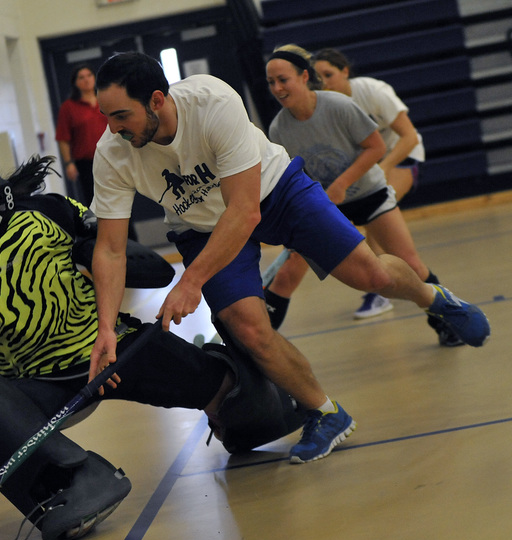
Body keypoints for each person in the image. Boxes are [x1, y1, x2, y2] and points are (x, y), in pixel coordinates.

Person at [88, 52, 490, 465]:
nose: (113, 129)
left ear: (156, 100)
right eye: (106, 116)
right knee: (248, 328)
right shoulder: (112, 153)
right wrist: (106, 328)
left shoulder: (211, 102)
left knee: (371, 276)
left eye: (121, 115)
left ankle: (432, 297)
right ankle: (325, 412)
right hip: (199, 227)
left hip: (274, 190)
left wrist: (189, 282)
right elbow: (111, 248)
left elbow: (244, 211)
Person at [0, 154, 304, 540]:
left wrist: (90, 251)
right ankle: (77, 481)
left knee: (241, 403)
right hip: (39, 387)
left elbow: (145, 266)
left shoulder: (48, 212)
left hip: (115, 348)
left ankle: (251, 398)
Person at [263, 44, 460, 346]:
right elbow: (293, 178)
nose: (277, 88)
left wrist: (341, 183)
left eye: (283, 80)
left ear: (304, 77)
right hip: (327, 207)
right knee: (288, 275)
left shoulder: (338, 106)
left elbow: (377, 147)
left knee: (409, 264)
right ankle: (255, 348)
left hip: (369, 194)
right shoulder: (278, 130)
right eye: (271, 82)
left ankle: (450, 322)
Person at [313, 47, 426, 319]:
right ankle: (391, 282)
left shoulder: (373, 91)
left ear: (345, 72)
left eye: (329, 74)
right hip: (366, 167)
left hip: (400, 156)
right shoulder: (324, 106)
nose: (324, 82)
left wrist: (383, 168)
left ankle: (384, 290)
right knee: (368, 227)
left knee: (376, 216)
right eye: (318, 78)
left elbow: (409, 136)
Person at [56, 64, 108, 206]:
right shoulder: (68, 107)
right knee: (94, 200)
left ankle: (127, 228)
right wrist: (69, 163)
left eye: (89, 76)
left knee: (120, 196)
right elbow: (63, 138)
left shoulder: (105, 98)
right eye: (81, 77)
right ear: (75, 83)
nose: (86, 80)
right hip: (86, 163)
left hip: (111, 156)